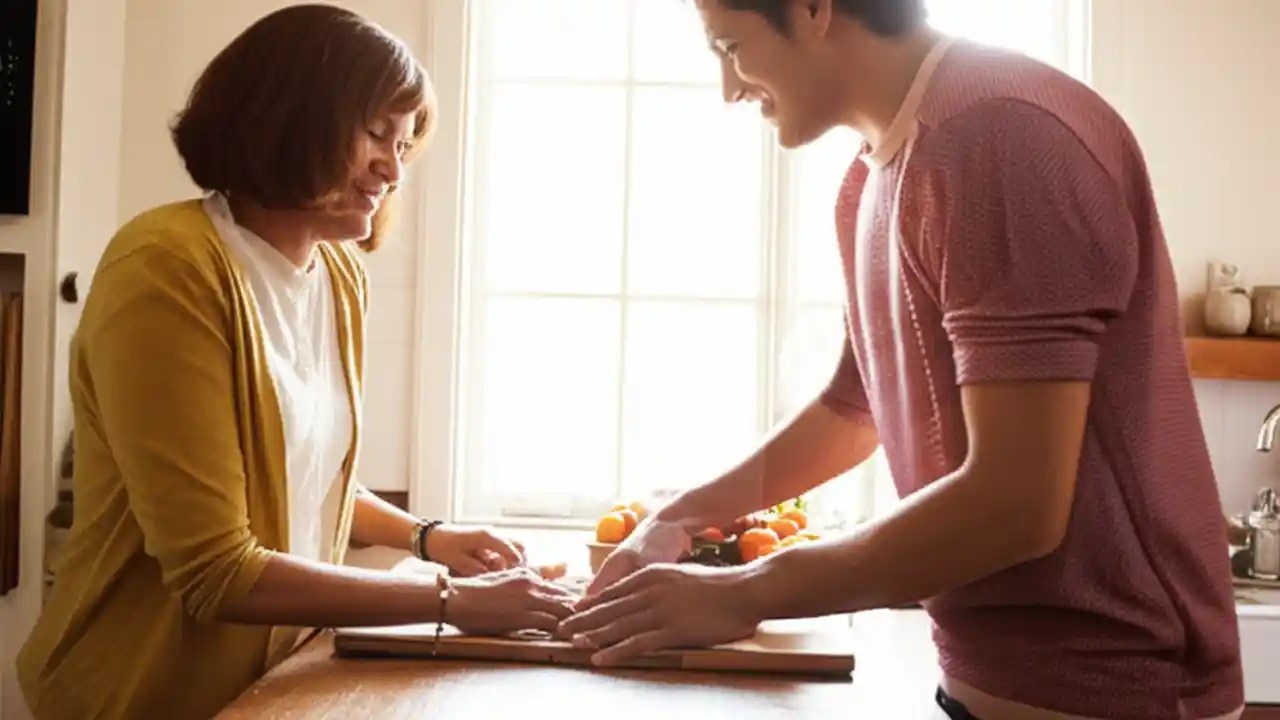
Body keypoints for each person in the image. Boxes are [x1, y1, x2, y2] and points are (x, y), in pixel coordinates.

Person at [561, 1, 1245, 718]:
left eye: (731, 47)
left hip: (1116, 695)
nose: (730, 88)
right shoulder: (874, 176)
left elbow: (1018, 505)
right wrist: (680, 514)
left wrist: (747, 592)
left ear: (814, 9)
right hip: (994, 685)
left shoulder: (998, 135)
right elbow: (854, 410)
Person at [16, 6, 575, 719]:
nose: (394, 168)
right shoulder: (166, 268)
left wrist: (428, 537)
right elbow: (217, 571)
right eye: (376, 133)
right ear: (287, 114)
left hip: (271, 687)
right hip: (136, 696)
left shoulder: (339, 280)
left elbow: (298, 481)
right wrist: (454, 601)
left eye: (405, 144)